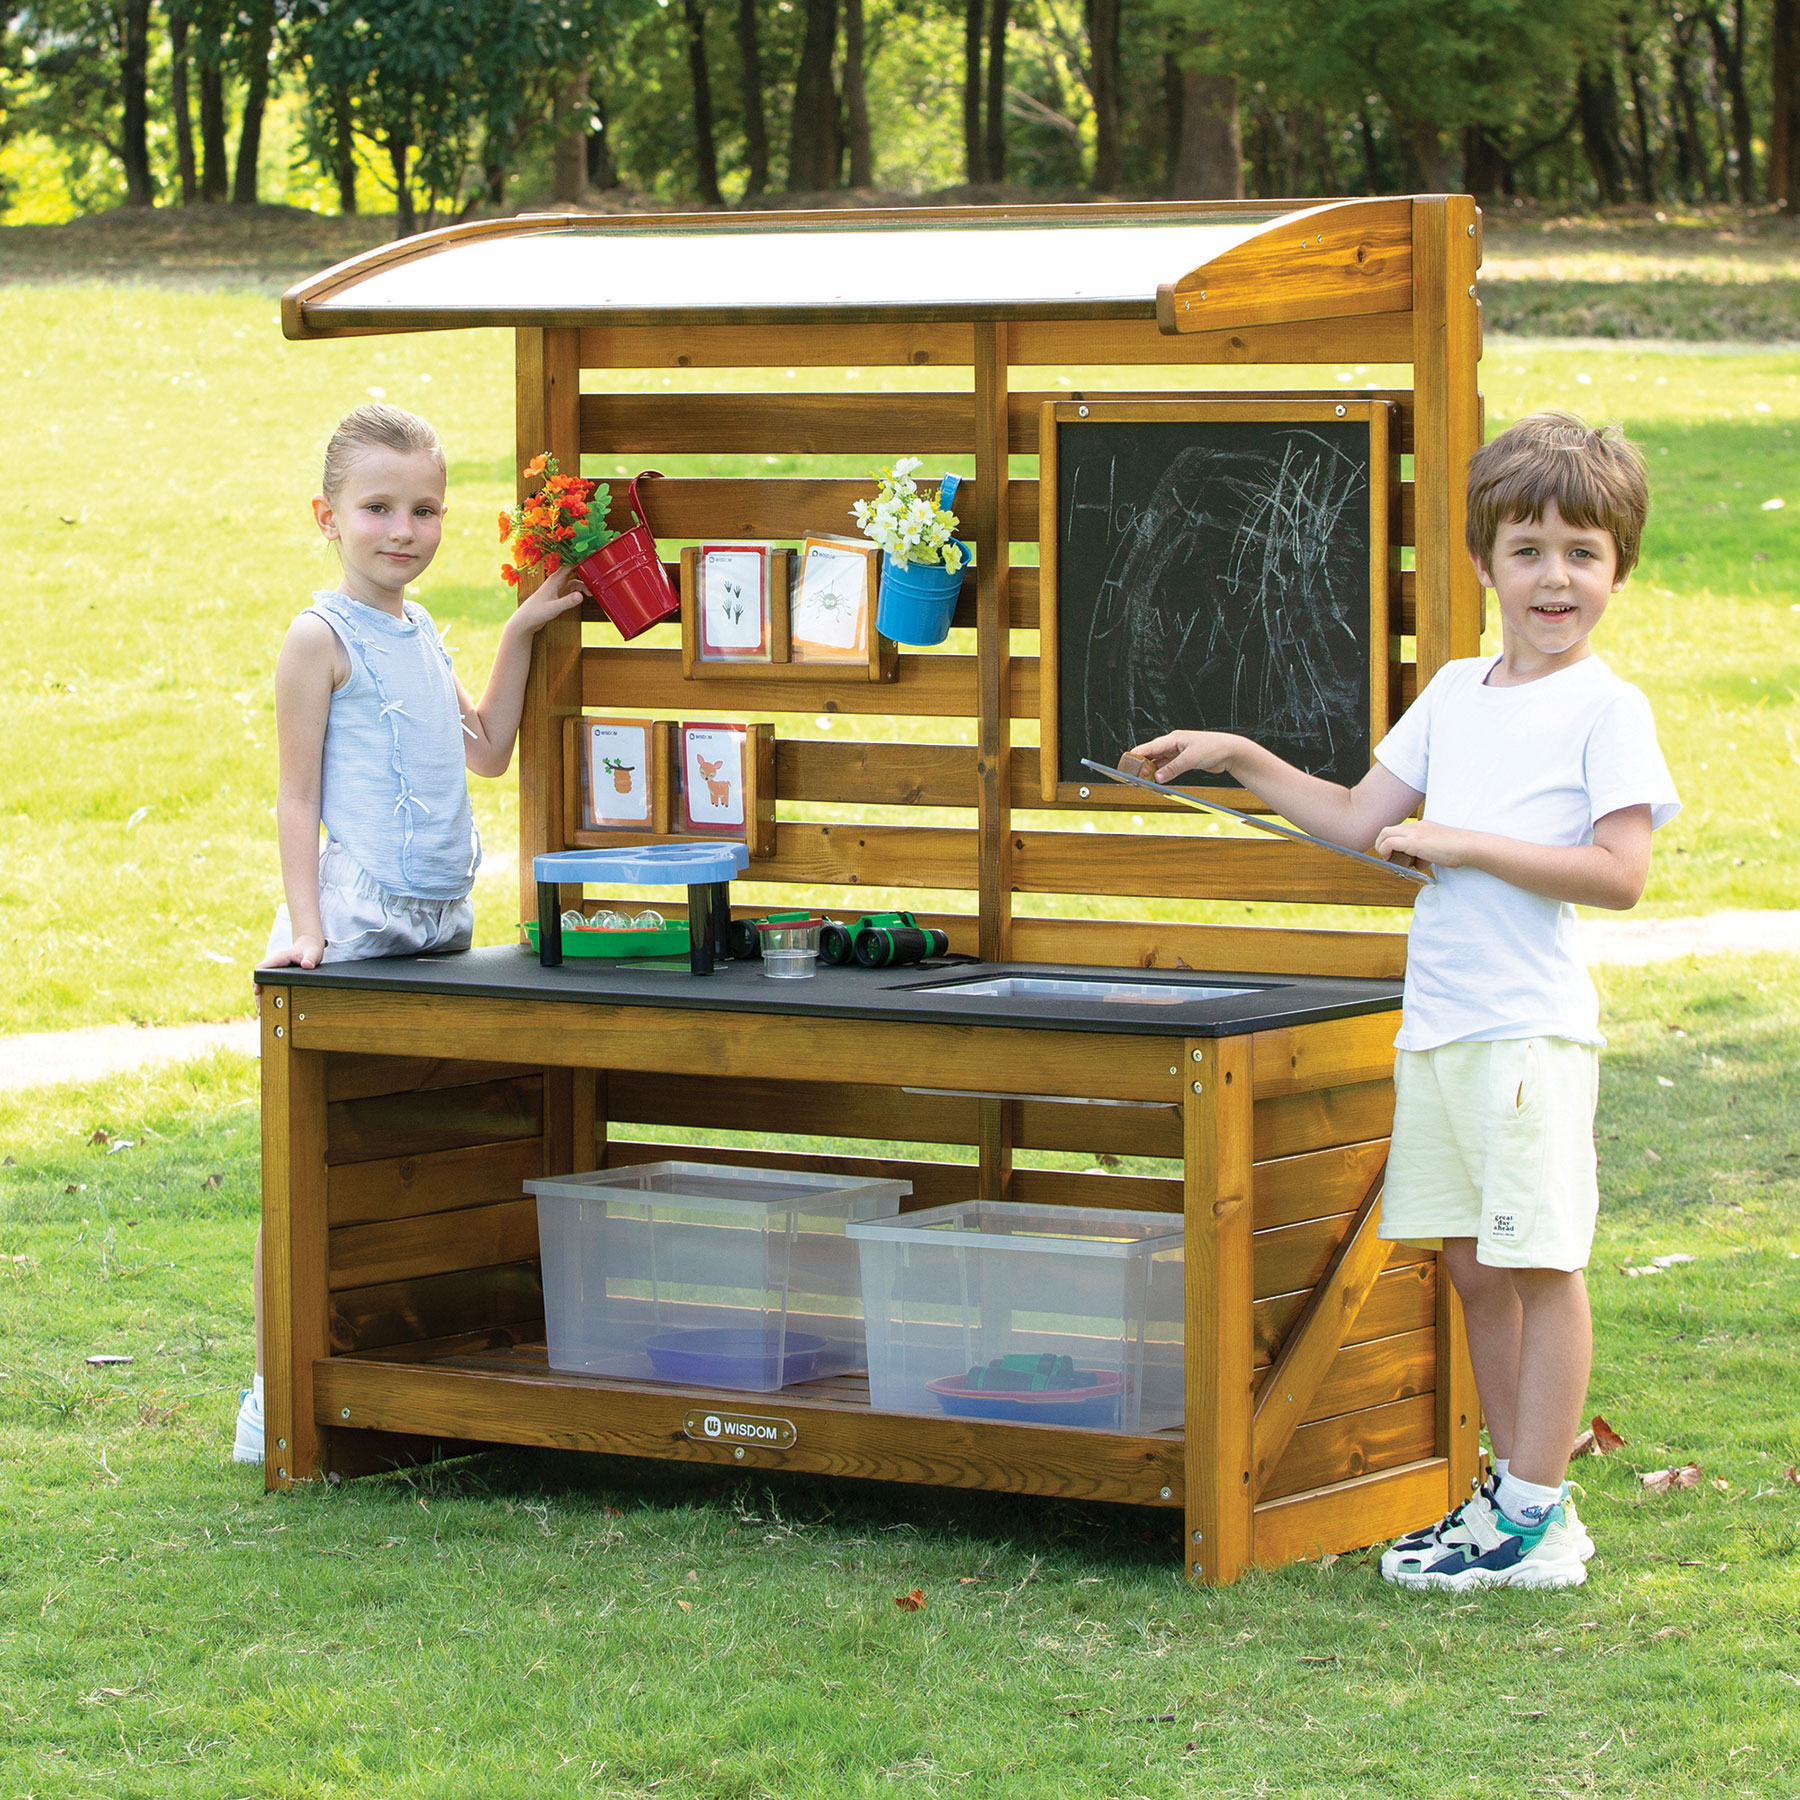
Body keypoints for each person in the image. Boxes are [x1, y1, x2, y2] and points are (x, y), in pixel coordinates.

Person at [1128, 412, 1679, 1590]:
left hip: (1527, 1033)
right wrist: (1242, 756)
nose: (1555, 578)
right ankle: (1520, 1503)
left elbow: (1621, 873)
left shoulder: (1607, 709)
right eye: (1528, 551)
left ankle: (1533, 1514)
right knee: (1475, 1267)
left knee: (1543, 1265)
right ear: (1483, 562)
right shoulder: (1456, 692)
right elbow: (1360, 822)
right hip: (1441, 1030)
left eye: (1582, 553)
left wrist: (1464, 842)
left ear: (1618, 568)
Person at [234, 403, 583, 1462]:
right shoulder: (320, 638)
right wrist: (306, 930)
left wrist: (519, 632)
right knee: (307, 1159)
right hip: (354, 926)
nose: (404, 530)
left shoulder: (422, 629)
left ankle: (402, 1357)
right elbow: (296, 798)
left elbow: (487, 751)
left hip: (437, 926)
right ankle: (271, 1392)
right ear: (327, 517)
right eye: (378, 508)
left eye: (424, 509)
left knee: (410, 1146)